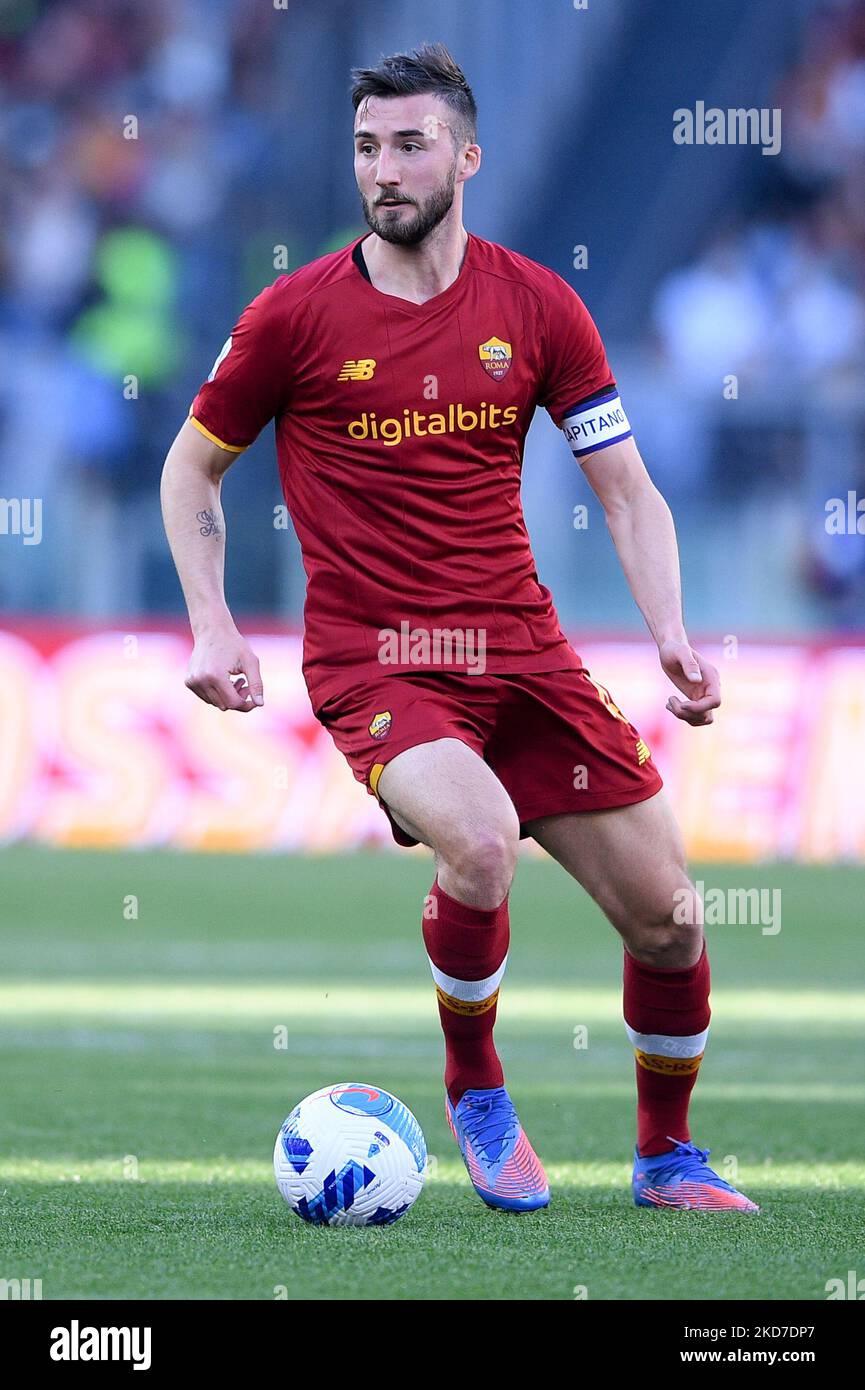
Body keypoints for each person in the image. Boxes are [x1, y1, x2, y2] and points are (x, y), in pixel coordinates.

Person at [161, 43, 758, 1215]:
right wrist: (212, 626)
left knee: (672, 918)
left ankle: (665, 1158)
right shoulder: (293, 315)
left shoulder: (537, 306)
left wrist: (673, 630)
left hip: (521, 648)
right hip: (377, 657)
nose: (383, 168)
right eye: (366, 147)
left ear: (466, 156)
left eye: (409, 143)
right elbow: (190, 471)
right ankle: (476, 1086)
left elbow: (627, 489)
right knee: (480, 843)